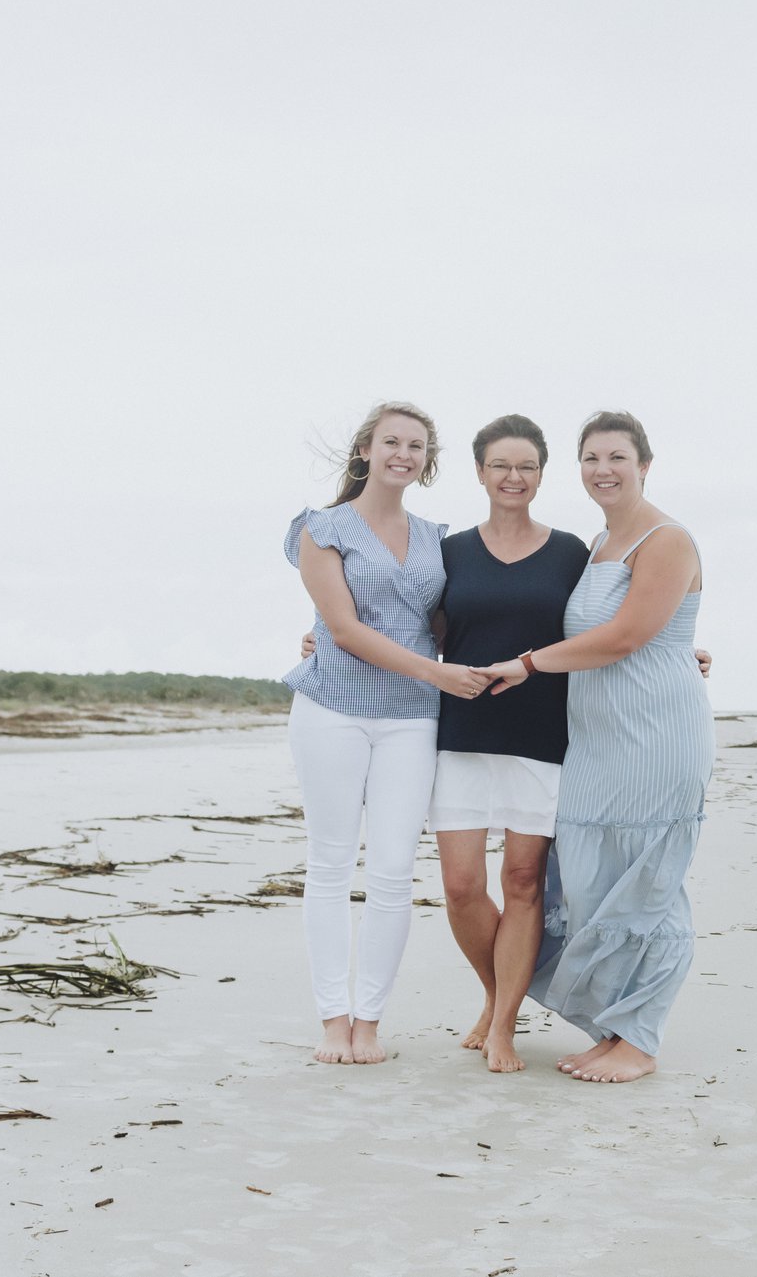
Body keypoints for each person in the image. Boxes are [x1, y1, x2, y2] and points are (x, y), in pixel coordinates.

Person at [479, 411, 714, 1084]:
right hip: (595, 739)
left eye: (616, 457)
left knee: (648, 885)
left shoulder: (668, 539)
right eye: (591, 458)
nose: (603, 469)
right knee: (591, 883)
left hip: (656, 736)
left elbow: (625, 636)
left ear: (645, 465)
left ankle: (639, 1038)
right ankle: (614, 1026)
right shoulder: (600, 542)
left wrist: (526, 664)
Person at [283, 402, 488, 1065]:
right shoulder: (322, 527)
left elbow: (457, 623)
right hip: (333, 708)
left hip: (411, 719)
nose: (403, 453)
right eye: (392, 441)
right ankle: (332, 1021)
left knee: (395, 871)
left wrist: (668, 649)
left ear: (428, 462)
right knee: (330, 862)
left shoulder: (437, 539)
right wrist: (436, 671)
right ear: (365, 450)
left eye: (416, 446)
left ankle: (369, 1024)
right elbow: (343, 629)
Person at [426, 415, 588, 1073]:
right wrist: (322, 639)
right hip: (462, 731)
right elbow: (410, 626)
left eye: (526, 466)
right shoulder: (449, 553)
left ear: (542, 474)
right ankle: (498, 996)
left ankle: (502, 1026)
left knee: (522, 882)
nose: (513, 477)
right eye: (501, 465)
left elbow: (604, 626)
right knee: (461, 885)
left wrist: (677, 653)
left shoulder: (571, 553)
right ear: (480, 472)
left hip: (540, 732)